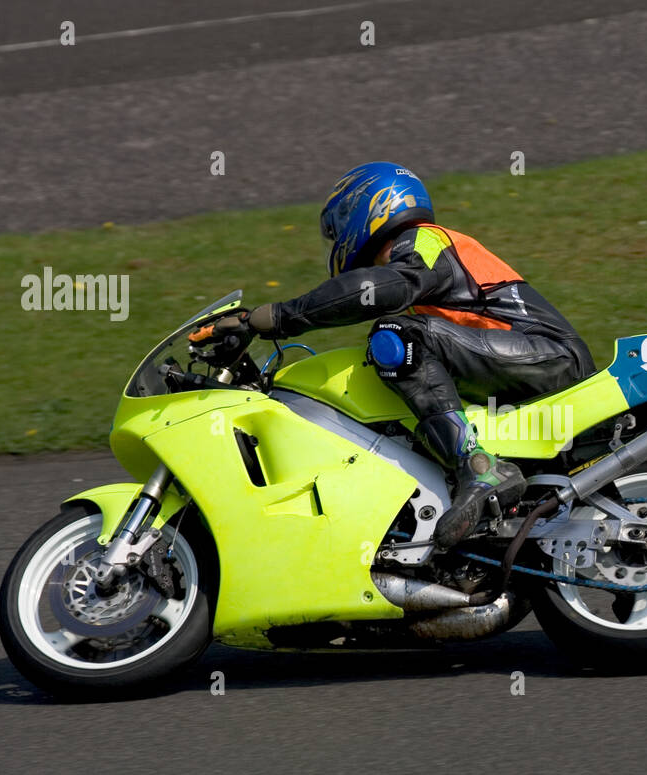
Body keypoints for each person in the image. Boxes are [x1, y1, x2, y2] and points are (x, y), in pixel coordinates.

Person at [192, 161, 596, 550]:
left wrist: (274, 318)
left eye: (336, 232)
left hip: (548, 354)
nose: (334, 245)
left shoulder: (423, 239)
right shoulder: (423, 262)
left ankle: (477, 467)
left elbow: (383, 288)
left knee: (396, 339)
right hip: (521, 359)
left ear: (369, 206)